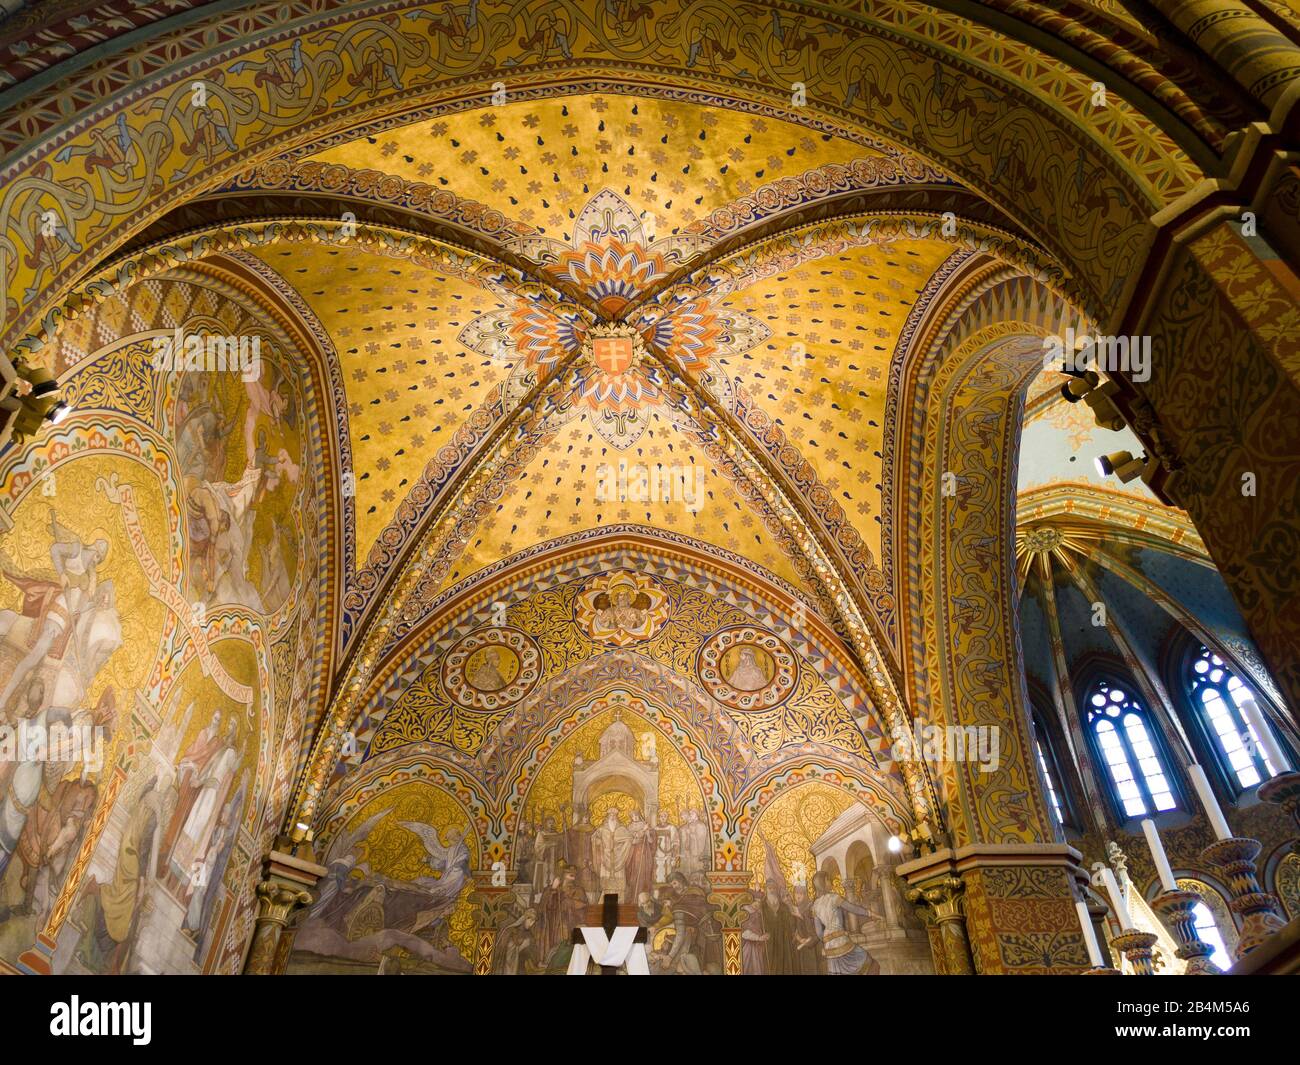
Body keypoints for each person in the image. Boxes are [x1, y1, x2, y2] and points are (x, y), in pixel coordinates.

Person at [811, 871, 880, 975]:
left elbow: (819, 932)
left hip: (829, 947)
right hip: (841, 942)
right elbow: (852, 908)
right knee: (872, 964)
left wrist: (828, 940)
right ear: (822, 883)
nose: (831, 882)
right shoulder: (834, 898)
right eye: (828, 880)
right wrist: (870, 913)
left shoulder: (815, 905)